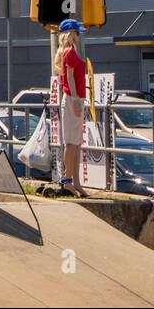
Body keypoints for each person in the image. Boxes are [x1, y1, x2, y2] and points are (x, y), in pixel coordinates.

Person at [55, 18, 89, 197]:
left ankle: (76, 182)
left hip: (75, 98)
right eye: (77, 32)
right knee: (70, 142)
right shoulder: (69, 52)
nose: (78, 35)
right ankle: (67, 181)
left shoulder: (70, 51)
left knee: (76, 143)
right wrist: (75, 100)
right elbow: (69, 78)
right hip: (71, 99)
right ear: (71, 33)